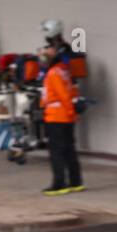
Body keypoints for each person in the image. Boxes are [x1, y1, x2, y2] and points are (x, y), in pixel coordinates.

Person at [40, 40, 83, 195]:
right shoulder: (65, 71)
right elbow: (72, 93)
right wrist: (73, 114)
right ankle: (76, 182)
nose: (46, 53)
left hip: (56, 116)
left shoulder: (53, 73)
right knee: (69, 149)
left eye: (49, 50)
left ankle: (59, 184)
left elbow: (64, 95)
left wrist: (71, 113)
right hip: (65, 116)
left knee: (56, 151)